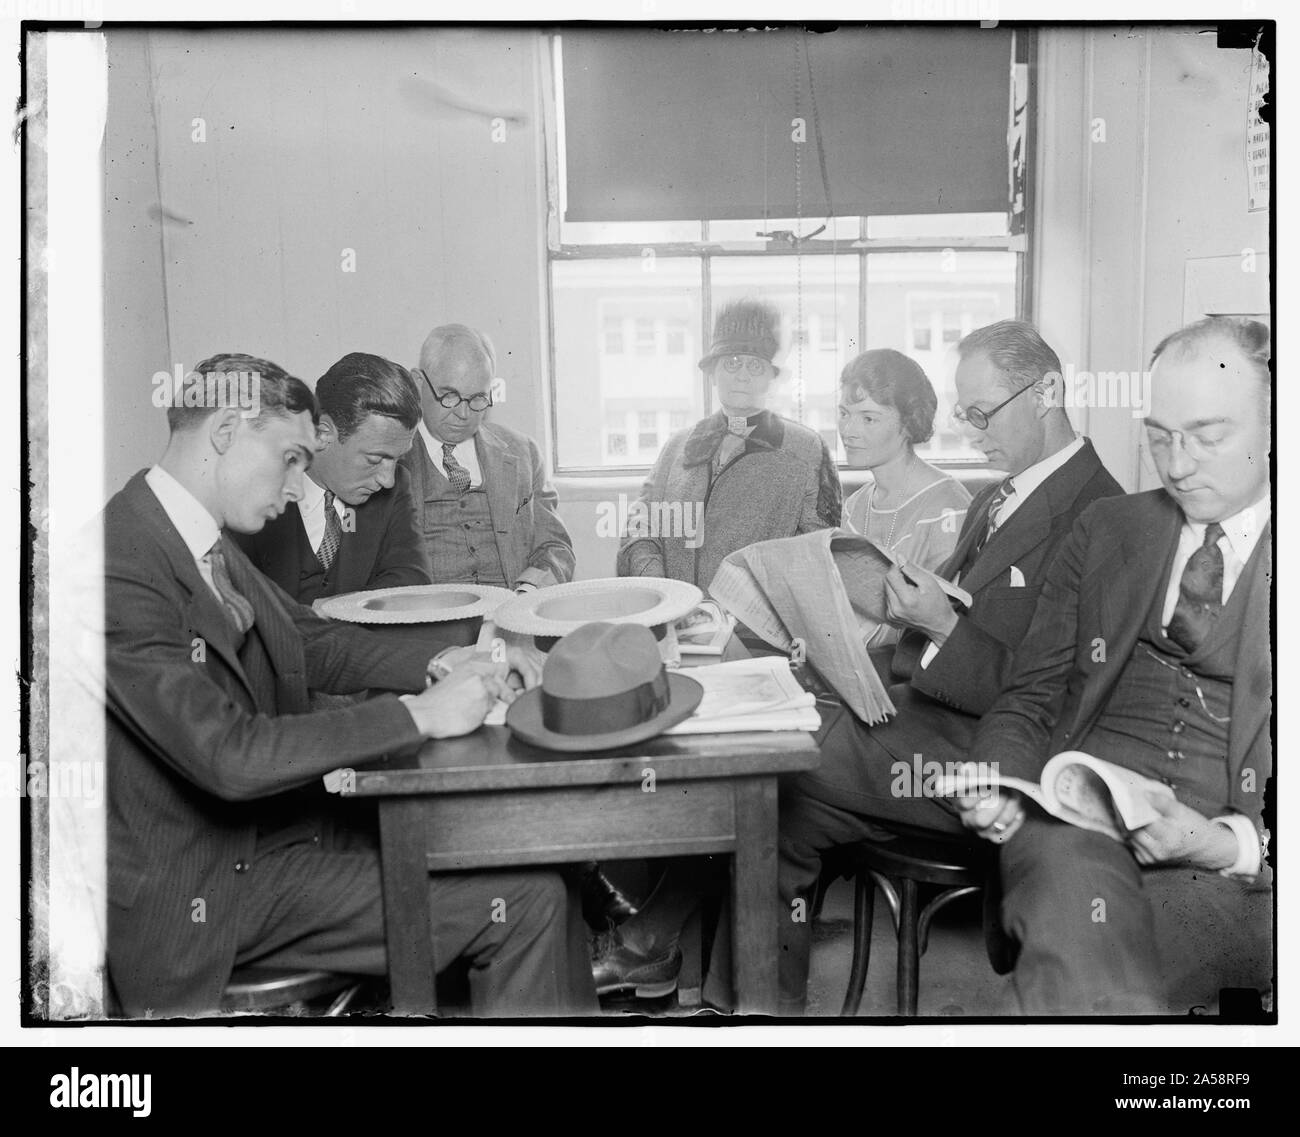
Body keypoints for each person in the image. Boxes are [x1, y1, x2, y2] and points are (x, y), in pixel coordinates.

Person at [99, 352, 596, 1018]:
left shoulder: (190, 539)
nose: (299, 483)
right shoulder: (122, 558)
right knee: (529, 899)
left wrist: (446, 661)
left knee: (519, 852)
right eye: (292, 458)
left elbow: (309, 641)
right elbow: (227, 754)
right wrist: (420, 716)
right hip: (208, 888)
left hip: (264, 840)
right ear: (224, 432)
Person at [774, 319, 1123, 1014]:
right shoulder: (999, 495)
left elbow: (1055, 693)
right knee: (787, 800)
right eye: (965, 415)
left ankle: (754, 996)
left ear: (1049, 390)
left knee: (778, 764)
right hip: (934, 718)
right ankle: (758, 1001)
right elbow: (959, 622)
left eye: (983, 413)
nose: (971, 432)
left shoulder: (1103, 512)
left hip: (996, 753)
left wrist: (936, 622)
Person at [956, 317, 1272, 1015]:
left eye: (1209, 435)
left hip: (1232, 868)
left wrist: (1224, 844)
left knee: (1062, 989)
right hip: (1076, 823)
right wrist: (1001, 779)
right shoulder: (1107, 529)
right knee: (1069, 876)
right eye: (1159, 436)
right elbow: (1028, 695)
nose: (1178, 463)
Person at [617, 298, 842, 589]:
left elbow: (820, 553)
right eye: (732, 363)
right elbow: (640, 526)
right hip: (678, 617)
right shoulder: (677, 446)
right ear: (712, 373)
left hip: (755, 630)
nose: (743, 375)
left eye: (756, 366)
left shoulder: (806, 449)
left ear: (772, 379)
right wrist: (660, 586)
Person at [234, 352, 430, 603]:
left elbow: (411, 580)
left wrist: (335, 611)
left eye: (397, 458)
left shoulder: (395, 488)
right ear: (324, 433)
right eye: (374, 459)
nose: (387, 479)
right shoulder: (253, 486)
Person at [400, 324, 574, 594]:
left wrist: (528, 591)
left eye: (478, 398)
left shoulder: (523, 453)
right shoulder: (391, 458)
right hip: (426, 623)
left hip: (510, 614)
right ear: (418, 383)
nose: (463, 413)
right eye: (450, 396)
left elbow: (555, 547)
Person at [837, 349, 971, 648]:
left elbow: (944, 623)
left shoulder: (948, 505)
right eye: (844, 413)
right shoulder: (854, 506)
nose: (848, 430)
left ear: (908, 424)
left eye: (868, 418)